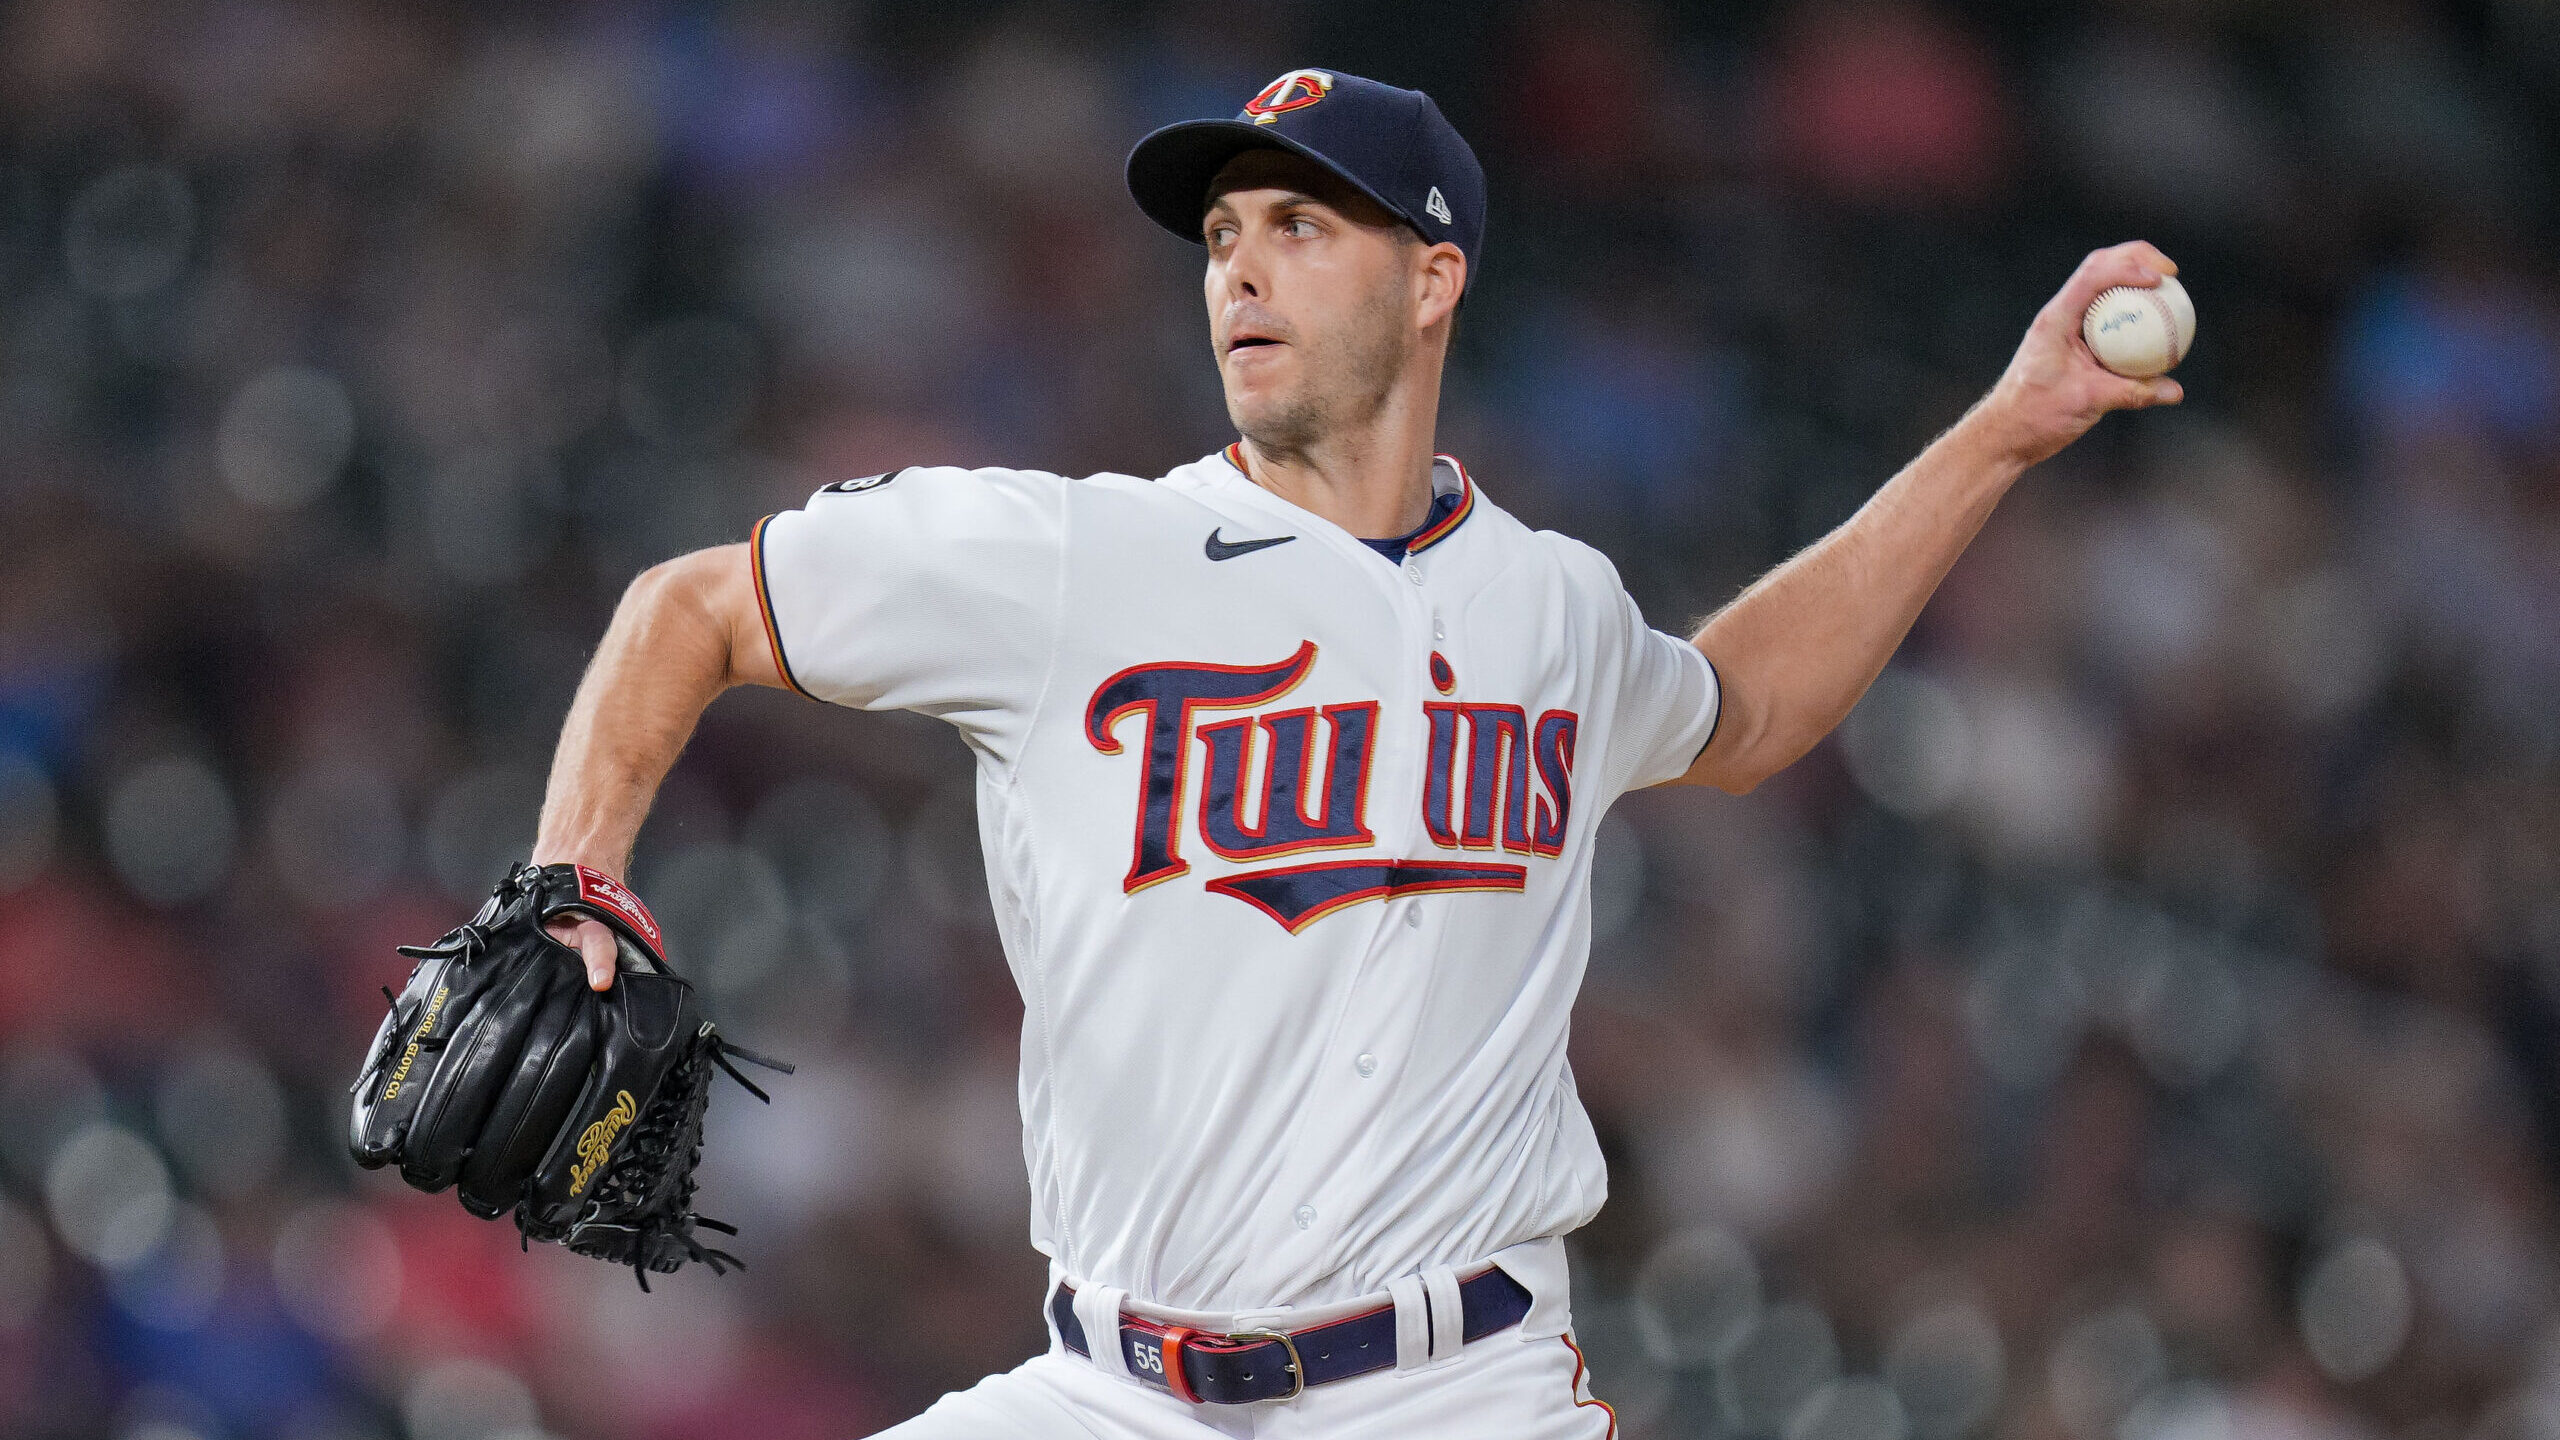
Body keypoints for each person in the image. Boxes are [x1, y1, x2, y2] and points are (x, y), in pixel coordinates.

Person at [526, 68, 2180, 1439]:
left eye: (1300, 229)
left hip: (1455, 1390)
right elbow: (692, 610)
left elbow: (1739, 715)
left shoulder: (1553, 604)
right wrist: (570, 879)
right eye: (1224, 237)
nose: (1237, 270)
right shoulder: (1069, 561)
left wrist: (2004, 430)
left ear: (1434, 275)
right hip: (1109, 1393)